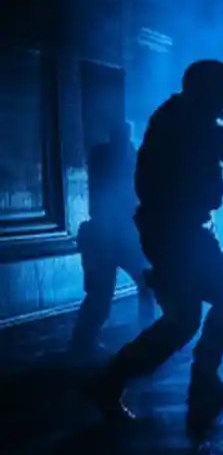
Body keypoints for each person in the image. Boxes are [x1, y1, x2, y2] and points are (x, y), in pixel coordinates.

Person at [85, 60, 223, 421]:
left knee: (190, 316)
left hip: (181, 230)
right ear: (204, 89)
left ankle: (135, 380)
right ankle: (135, 380)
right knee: (204, 310)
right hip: (177, 233)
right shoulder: (182, 120)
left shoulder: (184, 117)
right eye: (222, 94)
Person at [68, 121, 154, 357]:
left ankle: (85, 344)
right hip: (113, 233)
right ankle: (84, 344)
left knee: (139, 285)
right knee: (105, 292)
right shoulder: (114, 157)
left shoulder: (111, 155)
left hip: (118, 233)